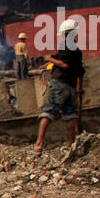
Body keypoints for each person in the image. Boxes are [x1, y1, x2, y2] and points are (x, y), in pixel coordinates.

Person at [34, 19, 85, 151]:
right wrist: (78, 89)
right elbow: (80, 71)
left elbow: (64, 64)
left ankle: (38, 144)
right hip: (71, 87)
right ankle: (70, 144)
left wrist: (49, 58)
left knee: (47, 112)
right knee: (70, 115)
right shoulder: (77, 50)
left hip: (59, 84)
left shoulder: (65, 45)